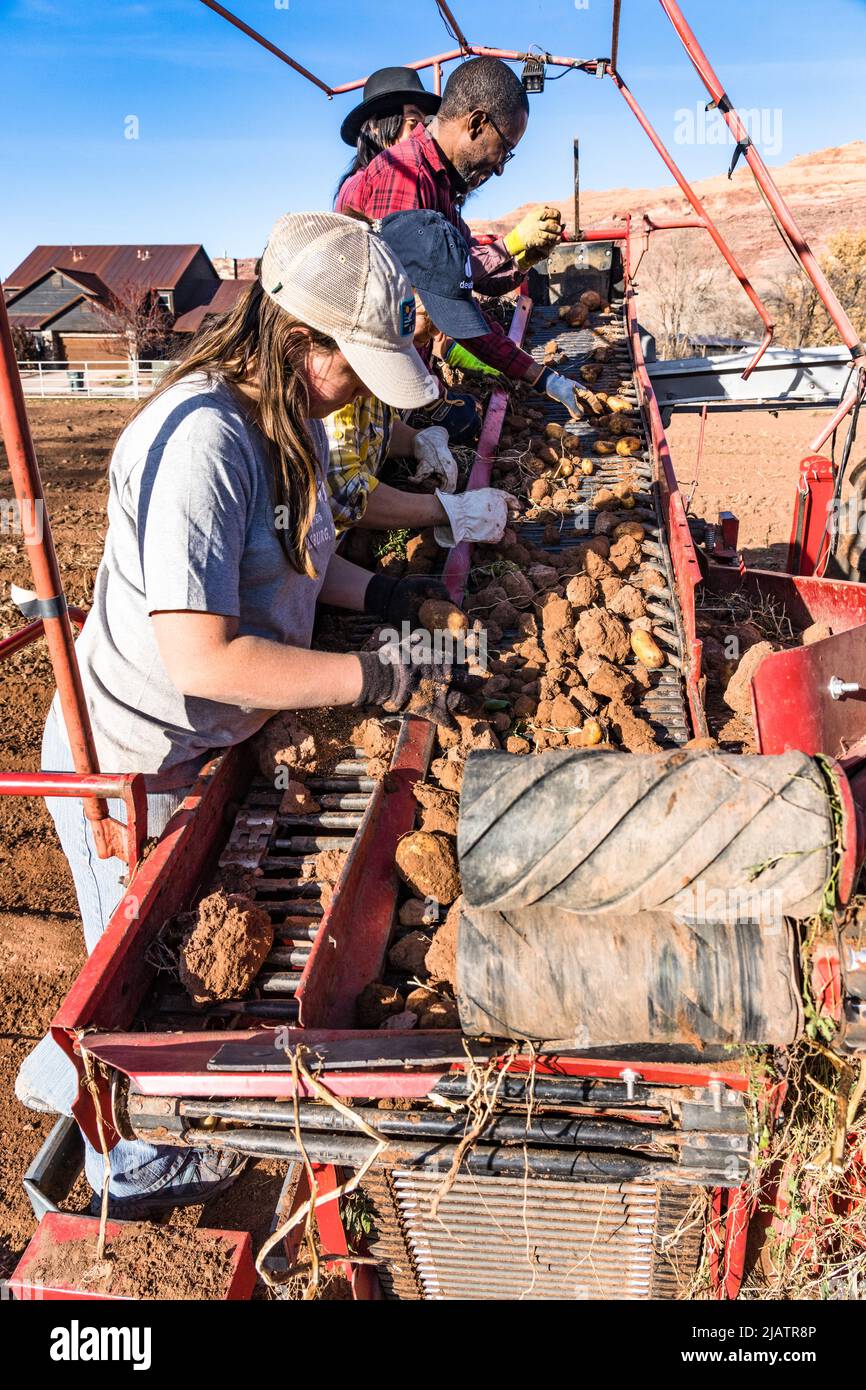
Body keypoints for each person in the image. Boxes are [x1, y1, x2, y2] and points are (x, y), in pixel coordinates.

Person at [15, 212, 471, 1216]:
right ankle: (129, 1172)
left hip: (210, 734)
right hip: (135, 758)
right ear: (300, 342)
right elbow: (202, 650)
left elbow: (292, 566)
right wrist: (369, 682)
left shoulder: (289, 420)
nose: (357, 385)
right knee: (145, 980)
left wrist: (377, 598)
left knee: (135, 946)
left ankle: (59, 1088)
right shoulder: (204, 445)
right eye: (353, 361)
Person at [339, 55, 588, 423]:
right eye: (504, 148)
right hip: (374, 399)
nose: (501, 167)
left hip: (407, 385)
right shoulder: (404, 174)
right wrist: (512, 244)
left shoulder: (443, 187)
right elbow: (425, 301)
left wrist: (523, 257)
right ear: (476, 123)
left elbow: (464, 281)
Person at [325, 209, 515, 545]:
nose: (439, 331)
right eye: (432, 315)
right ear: (396, 294)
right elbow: (342, 493)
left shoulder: (385, 356)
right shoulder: (340, 370)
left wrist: (416, 440)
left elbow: (371, 428)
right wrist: (448, 511)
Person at [336, 65, 441, 209]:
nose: (422, 136)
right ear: (375, 126)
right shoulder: (392, 174)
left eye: (425, 128)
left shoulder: (355, 180)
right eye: (413, 123)